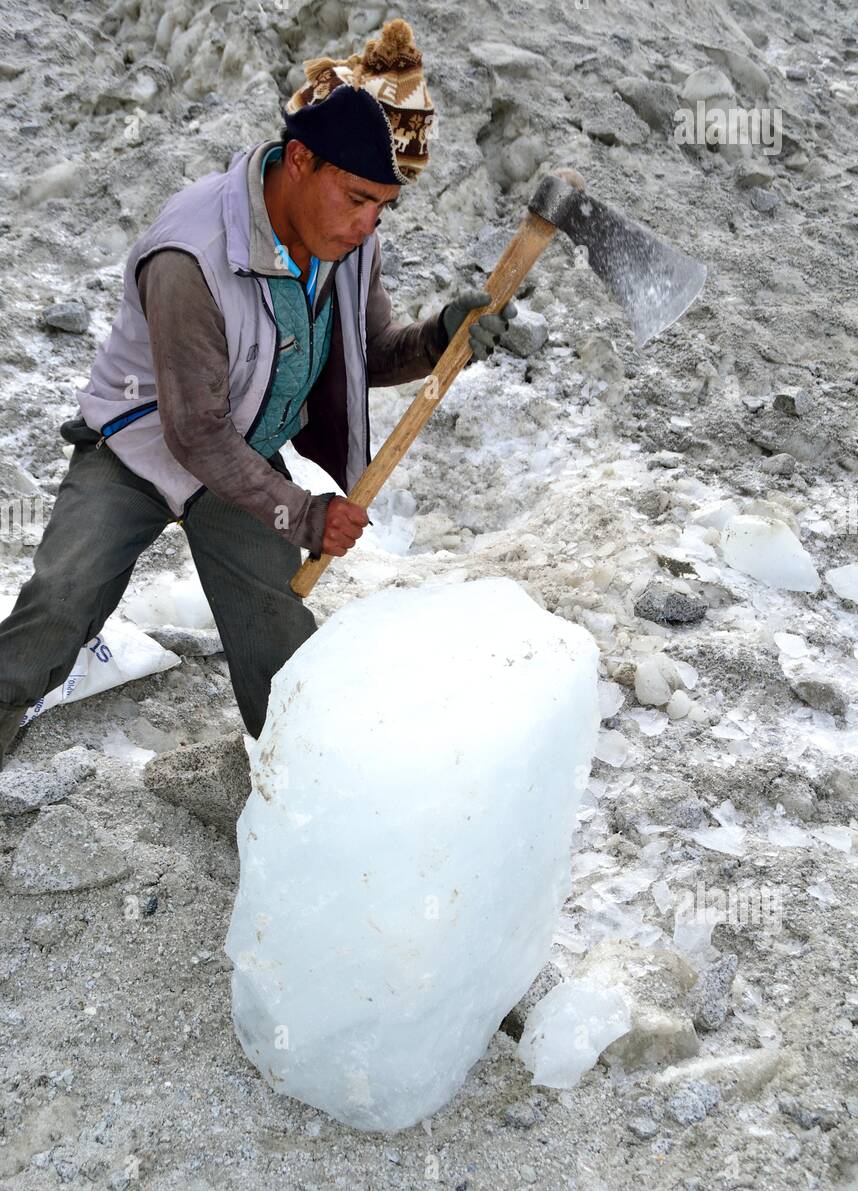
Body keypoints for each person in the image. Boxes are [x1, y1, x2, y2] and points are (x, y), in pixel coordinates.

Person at [0, 18, 515, 768]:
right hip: (140, 450)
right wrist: (302, 512)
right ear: (300, 159)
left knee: (282, 645)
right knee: (59, 608)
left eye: (384, 207)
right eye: (357, 199)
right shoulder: (194, 253)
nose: (370, 223)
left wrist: (444, 333)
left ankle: (302, 798)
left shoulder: (348, 241)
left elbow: (367, 352)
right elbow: (195, 433)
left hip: (239, 454)